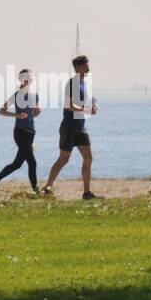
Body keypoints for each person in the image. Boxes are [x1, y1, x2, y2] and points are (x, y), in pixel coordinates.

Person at [41, 55, 97, 199]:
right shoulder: (71, 83)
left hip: (81, 127)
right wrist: (85, 109)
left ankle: (86, 193)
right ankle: (47, 187)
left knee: (89, 158)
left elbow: (83, 105)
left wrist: (91, 108)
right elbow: (68, 105)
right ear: (78, 68)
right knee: (64, 159)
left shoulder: (84, 83)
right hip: (69, 127)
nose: (88, 68)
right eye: (85, 66)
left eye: (88, 65)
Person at [0, 68, 41, 193]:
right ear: (22, 80)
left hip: (31, 132)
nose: (28, 80)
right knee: (32, 162)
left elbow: (34, 114)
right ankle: (36, 191)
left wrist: (37, 112)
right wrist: (16, 115)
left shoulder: (35, 95)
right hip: (20, 132)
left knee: (17, 164)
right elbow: (2, 111)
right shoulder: (16, 95)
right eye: (26, 78)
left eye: (30, 77)